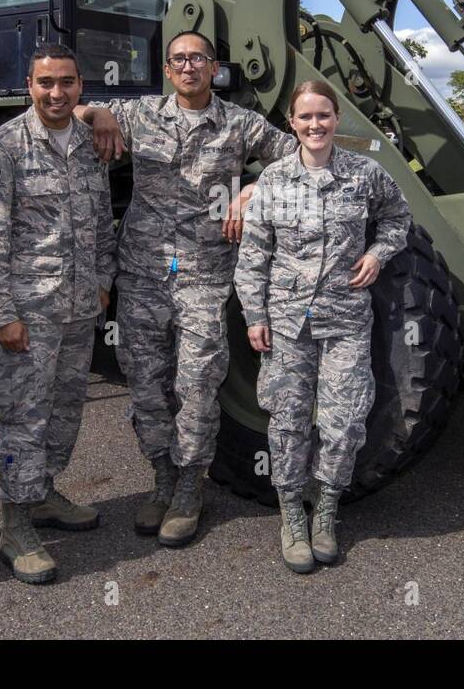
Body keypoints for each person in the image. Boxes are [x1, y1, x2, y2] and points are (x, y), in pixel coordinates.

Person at [75, 30, 296, 546]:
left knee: (197, 385)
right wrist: (99, 115)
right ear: (168, 69)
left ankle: (190, 488)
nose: (188, 66)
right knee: (146, 384)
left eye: (198, 58)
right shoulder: (141, 115)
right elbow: (74, 109)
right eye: (178, 59)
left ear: (213, 66)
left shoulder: (237, 123)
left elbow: (294, 155)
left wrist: (254, 189)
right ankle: (162, 478)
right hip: (144, 272)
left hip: (204, 273)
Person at [234, 79, 411, 573]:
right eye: (306, 117)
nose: (315, 125)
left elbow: (398, 217)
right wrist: (255, 315)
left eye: (324, 115)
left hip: (345, 319)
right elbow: (254, 254)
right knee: (288, 420)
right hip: (287, 323)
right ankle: (292, 512)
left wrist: (378, 253)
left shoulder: (364, 175)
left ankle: (326, 509)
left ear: (336, 119)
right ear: (292, 123)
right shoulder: (273, 180)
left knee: (344, 421)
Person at [0, 45, 118, 584]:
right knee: (23, 418)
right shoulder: (5, 145)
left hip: (78, 311)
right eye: (46, 83)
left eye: (67, 83)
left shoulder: (86, 144)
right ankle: (15, 525)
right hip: (29, 313)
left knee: (65, 410)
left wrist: (102, 282)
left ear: (80, 86)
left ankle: (45, 491)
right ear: (29, 84)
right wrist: (0, 314)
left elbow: (100, 221)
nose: (57, 93)